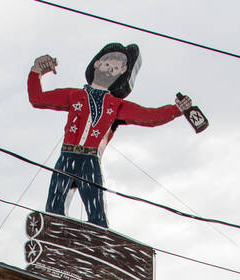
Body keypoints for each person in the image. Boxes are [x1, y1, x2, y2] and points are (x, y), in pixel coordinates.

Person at [28, 43, 193, 228]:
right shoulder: (74, 95)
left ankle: (99, 243)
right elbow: (38, 98)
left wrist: (177, 109)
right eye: (107, 65)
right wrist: (36, 72)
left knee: (96, 212)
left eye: (115, 68)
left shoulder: (115, 105)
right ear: (97, 63)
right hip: (67, 156)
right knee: (54, 207)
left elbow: (149, 116)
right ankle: (52, 236)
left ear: (122, 72)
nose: (109, 70)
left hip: (89, 160)